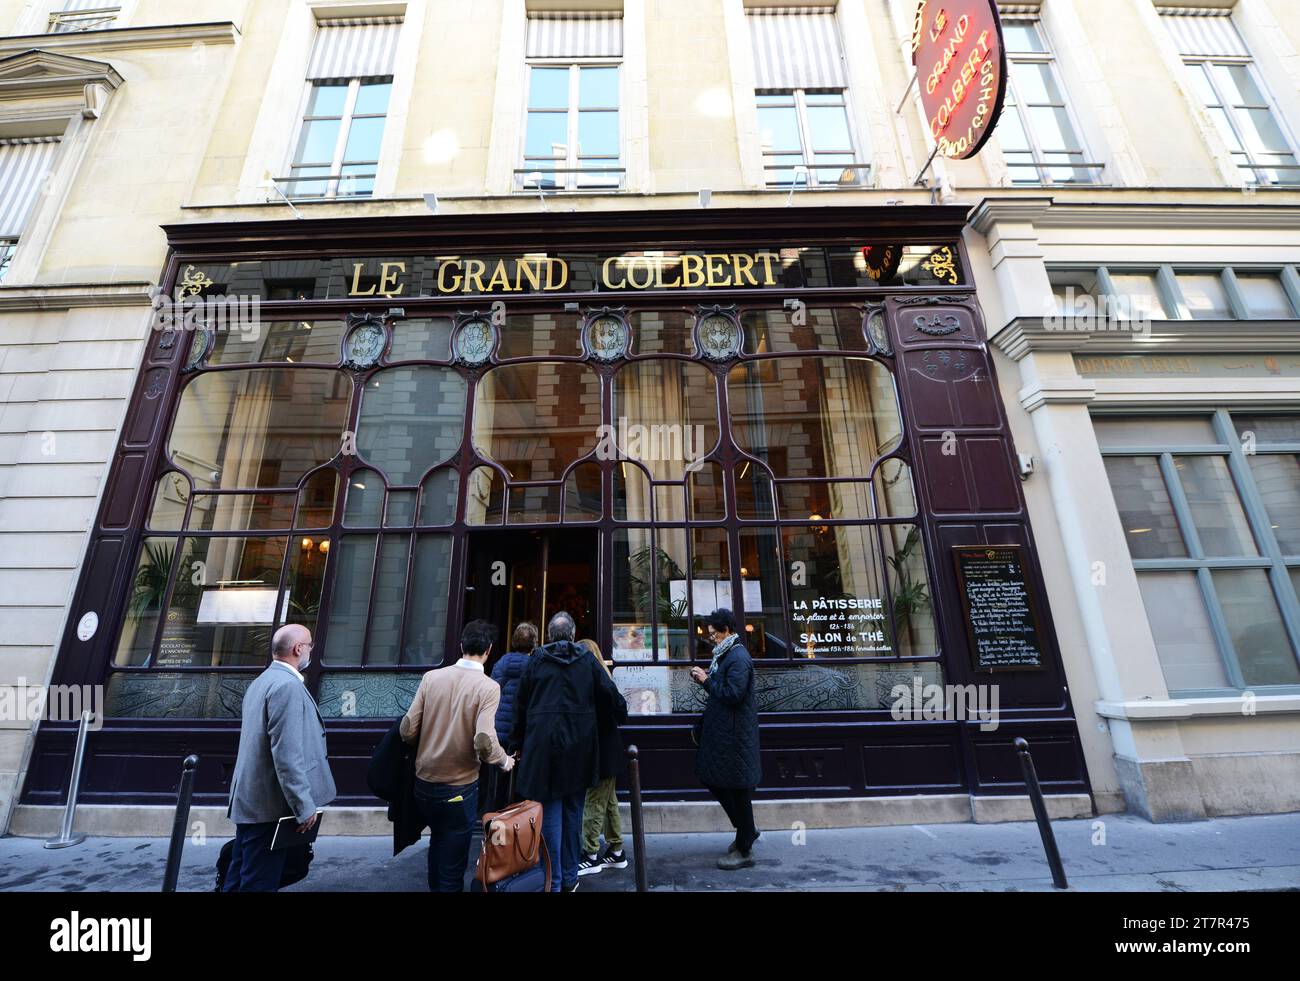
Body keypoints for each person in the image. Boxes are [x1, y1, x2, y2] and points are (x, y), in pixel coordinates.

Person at [510, 611, 626, 892]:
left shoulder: (536, 660)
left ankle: (553, 878)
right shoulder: (586, 660)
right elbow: (611, 697)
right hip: (579, 746)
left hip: (543, 747)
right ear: (573, 635)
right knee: (574, 811)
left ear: (549, 636)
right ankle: (569, 876)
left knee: (549, 811)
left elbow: (520, 704)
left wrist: (516, 743)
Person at [401, 619, 515, 891]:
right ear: (489, 650)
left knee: (437, 845)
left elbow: (407, 729)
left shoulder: (432, 677)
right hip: (459, 785)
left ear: (461, 645)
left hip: (424, 782)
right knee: (452, 860)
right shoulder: (488, 687)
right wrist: (504, 761)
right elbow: (485, 739)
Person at [224, 623, 336, 892]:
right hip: (270, 804)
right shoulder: (286, 687)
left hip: (253, 799)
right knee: (258, 881)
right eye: (309, 645)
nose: (310, 650)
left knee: (241, 875)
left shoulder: (263, 681)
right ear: (299, 649)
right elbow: (287, 754)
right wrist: (303, 805)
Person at [689, 608, 761, 870]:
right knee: (718, 781)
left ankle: (745, 848)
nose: (712, 639)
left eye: (714, 634)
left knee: (738, 790)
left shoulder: (738, 657)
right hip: (725, 735)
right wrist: (706, 678)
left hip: (735, 738)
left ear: (726, 630)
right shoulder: (726, 655)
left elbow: (733, 694)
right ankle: (747, 831)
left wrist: (706, 681)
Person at [576, 638, 629, 877]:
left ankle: (590, 854)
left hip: (601, 752)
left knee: (593, 802)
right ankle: (616, 850)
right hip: (610, 749)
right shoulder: (605, 681)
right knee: (608, 803)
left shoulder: (595, 685)